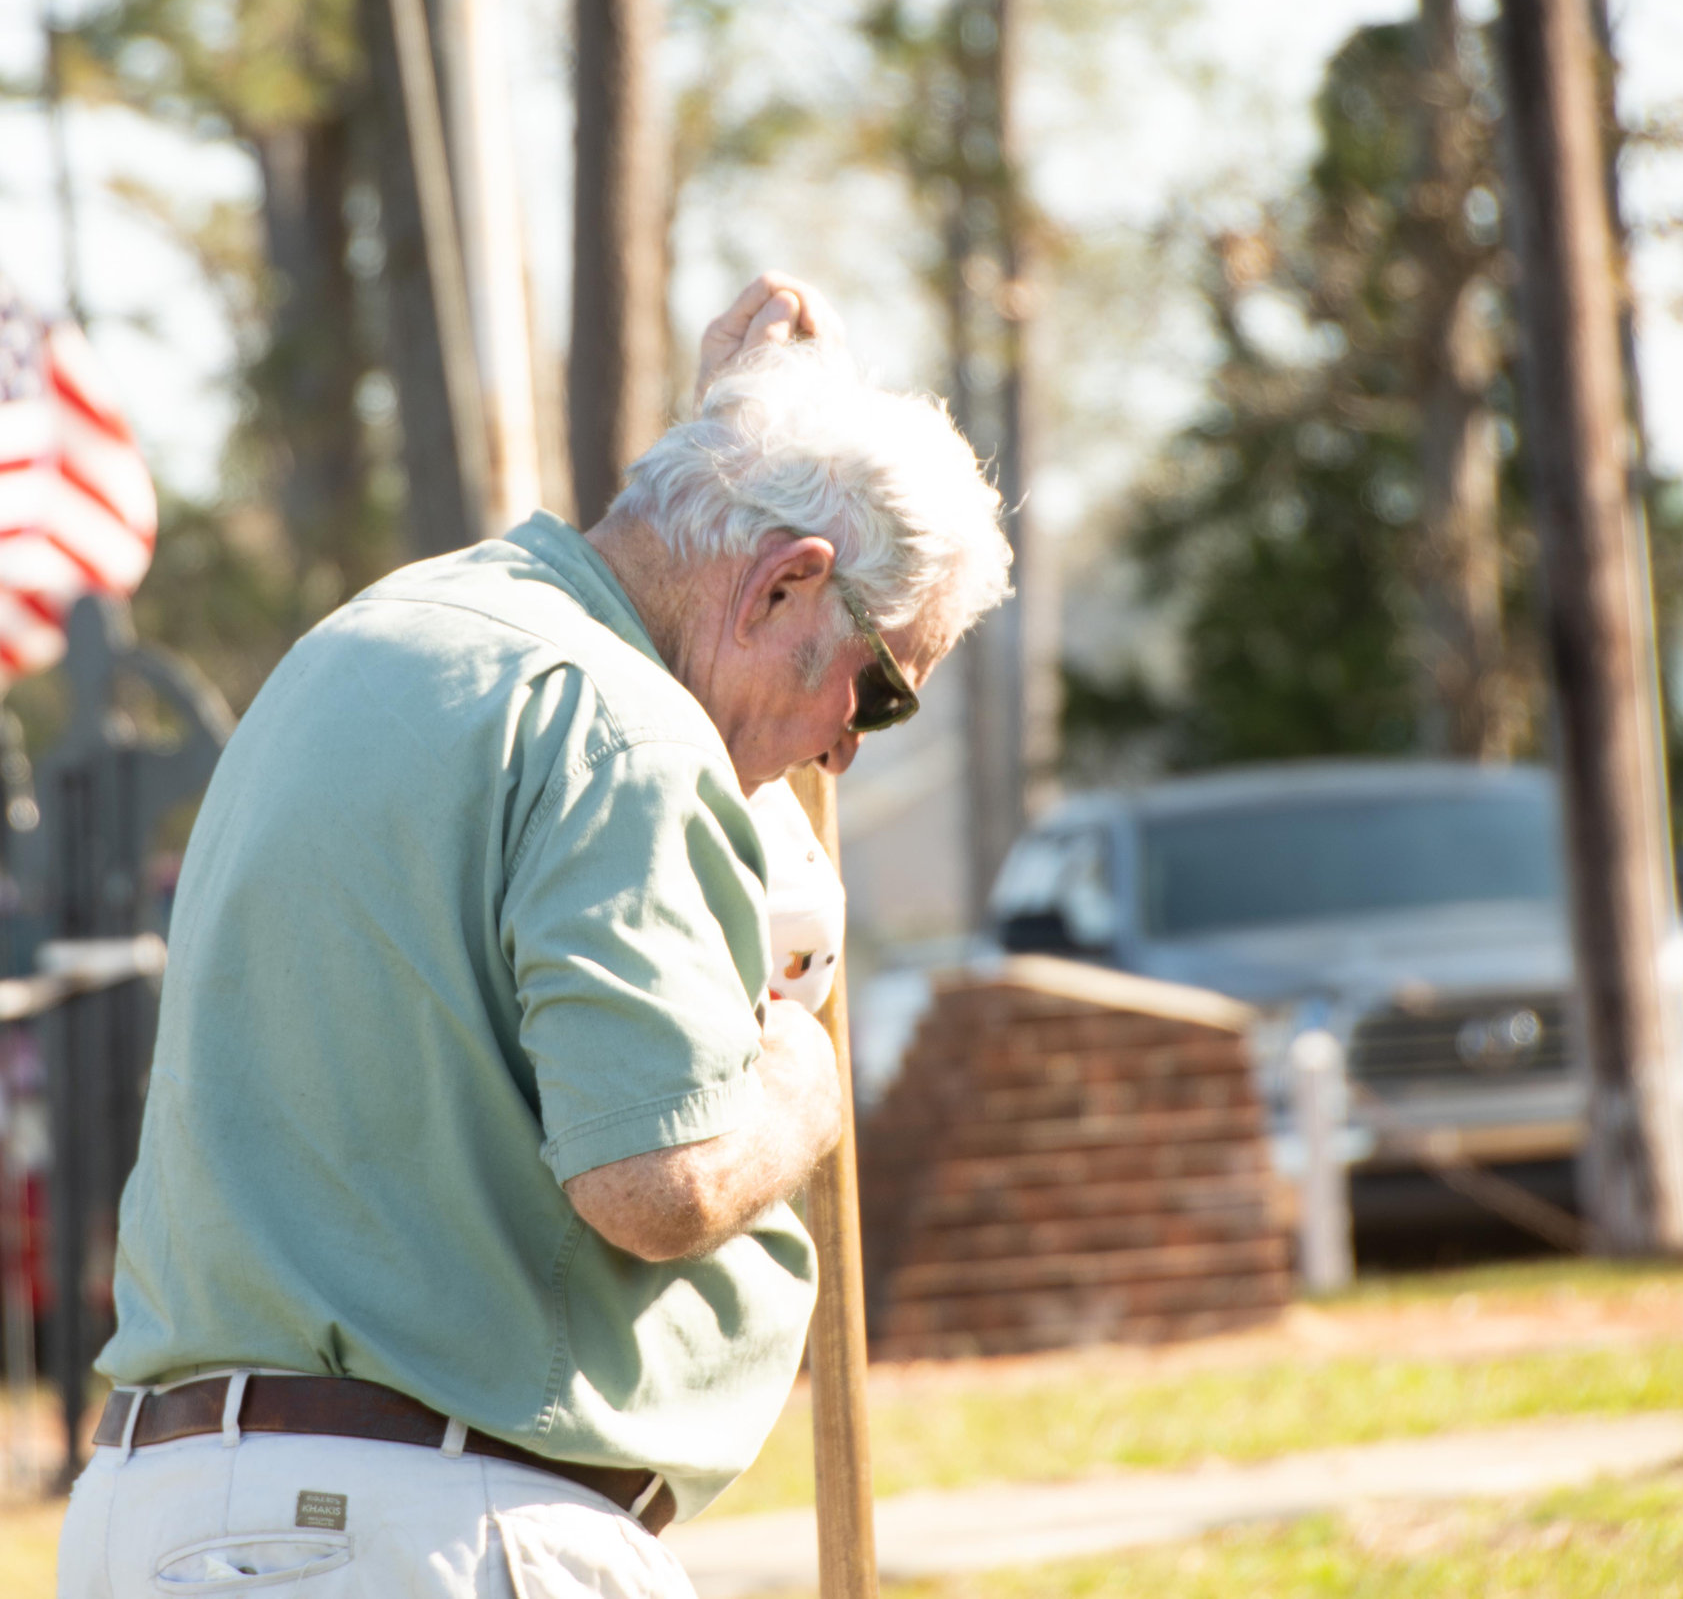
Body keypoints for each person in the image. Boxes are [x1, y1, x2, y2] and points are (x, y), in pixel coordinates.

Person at [56, 276, 1013, 1598]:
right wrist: (804, 1089)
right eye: (886, 687)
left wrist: (753, 427)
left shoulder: (384, 640)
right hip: (422, 1529)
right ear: (788, 582)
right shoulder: (623, 729)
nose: (849, 745)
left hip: (156, 1520)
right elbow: (655, 1178)